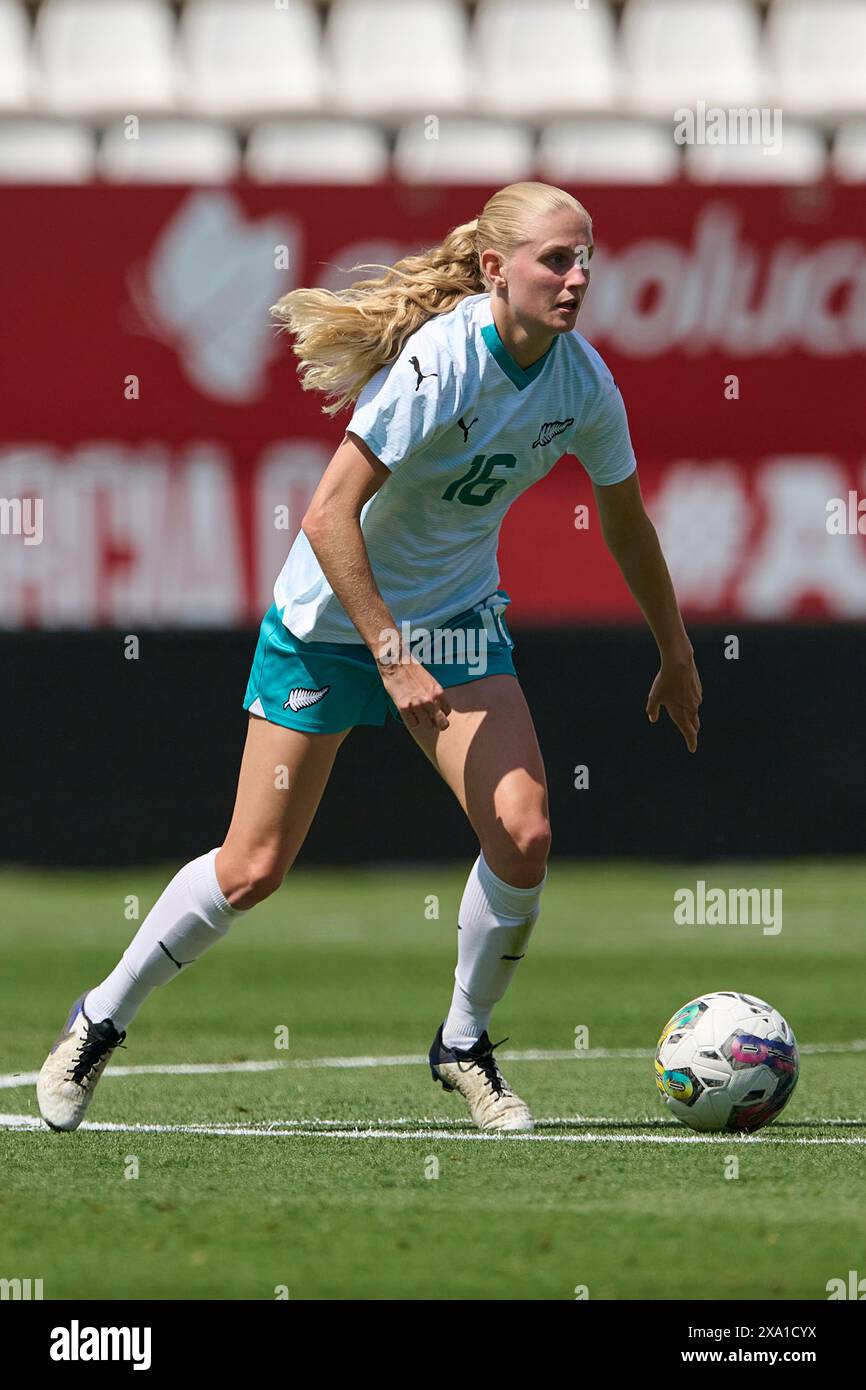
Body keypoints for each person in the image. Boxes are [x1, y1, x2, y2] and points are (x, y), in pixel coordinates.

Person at [37, 181, 702, 1135]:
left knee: (525, 833)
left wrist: (675, 649)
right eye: (558, 259)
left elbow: (628, 526)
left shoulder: (583, 384)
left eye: (586, 257)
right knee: (253, 867)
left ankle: (463, 1045)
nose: (578, 277)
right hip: (331, 623)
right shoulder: (441, 364)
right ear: (494, 270)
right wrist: (388, 652)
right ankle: (99, 1019)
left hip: (459, 622)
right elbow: (326, 513)